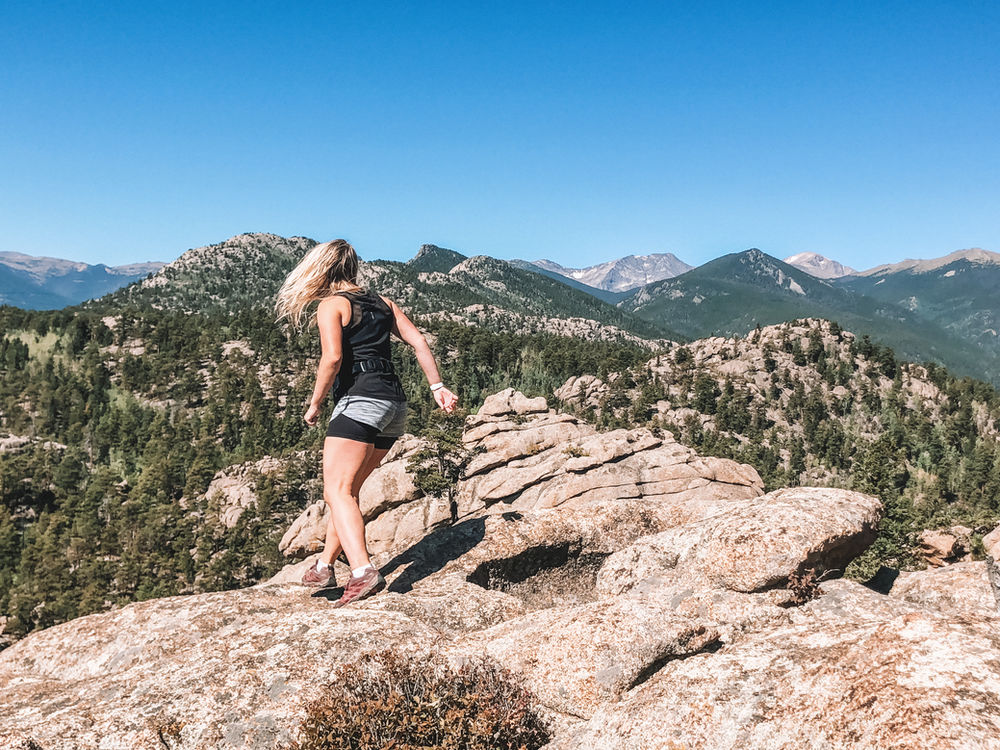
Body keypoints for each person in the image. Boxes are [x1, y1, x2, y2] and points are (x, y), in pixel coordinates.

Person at [274, 239, 458, 607]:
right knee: (348, 490)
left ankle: (362, 571)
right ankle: (325, 565)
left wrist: (315, 404)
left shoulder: (332, 305)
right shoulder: (383, 303)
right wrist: (437, 386)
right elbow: (418, 341)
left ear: (321, 269)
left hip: (359, 401)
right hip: (394, 405)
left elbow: (332, 359)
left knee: (336, 491)